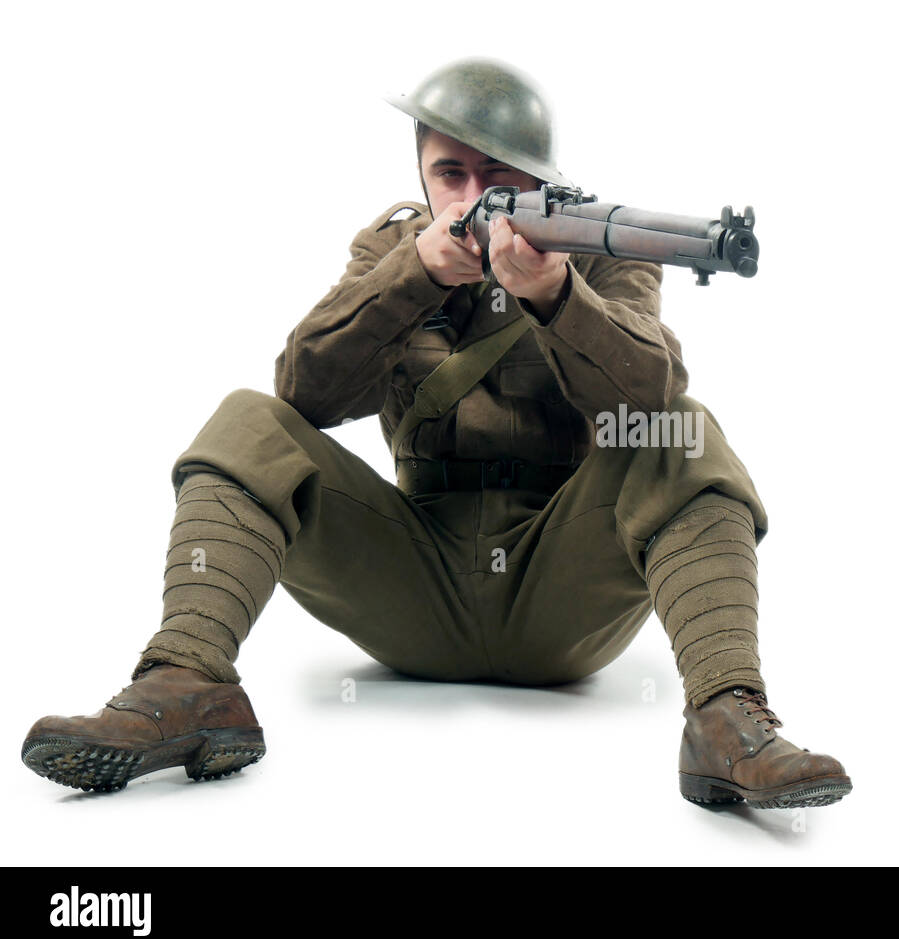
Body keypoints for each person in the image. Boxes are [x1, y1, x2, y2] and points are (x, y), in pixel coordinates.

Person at [20, 58, 851, 810]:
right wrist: (410, 276)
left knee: (684, 432)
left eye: (498, 176)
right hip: (410, 583)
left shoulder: (600, 252)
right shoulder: (391, 248)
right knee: (246, 421)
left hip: (561, 589)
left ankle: (725, 720)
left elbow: (649, 399)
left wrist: (561, 299)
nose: (471, 195)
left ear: (541, 180)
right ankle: (187, 684)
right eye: (450, 174)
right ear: (421, 177)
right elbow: (304, 391)